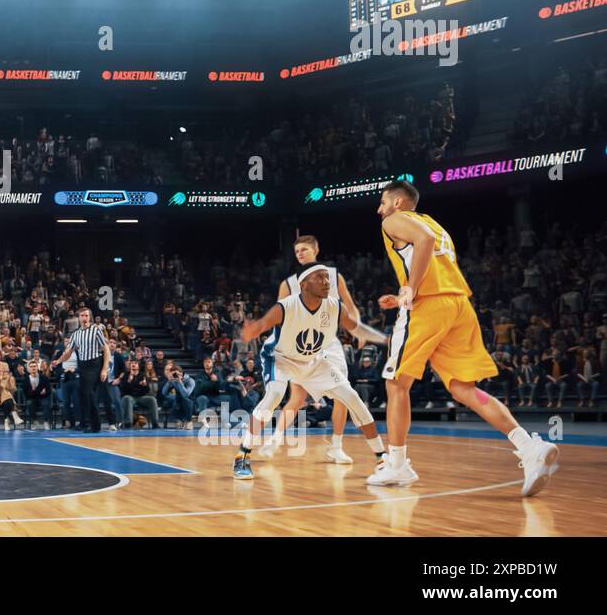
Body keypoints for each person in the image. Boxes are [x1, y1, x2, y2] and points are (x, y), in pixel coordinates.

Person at [374, 180, 557, 495]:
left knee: (396, 383)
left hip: (428, 307)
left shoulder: (396, 222)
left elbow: (424, 241)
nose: (380, 209)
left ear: (398, 203)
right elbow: (431, 252)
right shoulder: (433, 222)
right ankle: (528, 447)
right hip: (458, 306)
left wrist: (411, 288)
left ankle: (398, 465)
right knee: (462, 389)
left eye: (383, 202)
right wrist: (404, 289)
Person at [235, 264, 390, 480]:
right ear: (304, 284)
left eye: (328, 277)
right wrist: (252, 331)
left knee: (352, 398)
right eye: (320, 277)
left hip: (312, 361)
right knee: (274, 396)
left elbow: (356, 328)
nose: (327, 282)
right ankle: (242, 455)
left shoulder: (335, 307)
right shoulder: (285, 307)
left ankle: (382, 458)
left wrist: (384, 339)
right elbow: (261, 325)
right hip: (280, 358)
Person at [257, 235, 373, 464]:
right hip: (300, 345)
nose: (300, 254)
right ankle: (275, 438)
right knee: (297, 396)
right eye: (297, 251)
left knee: (343, 395)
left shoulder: (333, 276)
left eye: (304, 250)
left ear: (316, 250)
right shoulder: (288, 284)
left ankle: (336, 447)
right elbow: (280, 319)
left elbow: (350, 306)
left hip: (328, 342)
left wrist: (358, 330)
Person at [52, 307, 110, 433]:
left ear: (90, 317)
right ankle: (86, 423)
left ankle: (95, 425)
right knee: (84, 395)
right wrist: (59, 361)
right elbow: (68, 352)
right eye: (82, 315)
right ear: (79, 318)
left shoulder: (96, 330)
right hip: (83, 365)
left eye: (86, 315)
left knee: (89, 393)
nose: (84, 318)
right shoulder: (76, 334)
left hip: (95, 364)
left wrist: (104, 369)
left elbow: (106, 349)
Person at [118, 358, 160, 428]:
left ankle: (155, 423)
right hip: (130, 396)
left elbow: (147, 390)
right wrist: (129, 381)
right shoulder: (125, 375)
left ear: (138, 366)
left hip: (141, 397)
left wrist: (145, 385)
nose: (134, 364)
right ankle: (128, 423)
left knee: (152, 399)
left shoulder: (142, 375)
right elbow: (123, 390)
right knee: (127, 398)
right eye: (132, 363)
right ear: (130, 366)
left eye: (135, 363)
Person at [0, 360, 24, 430]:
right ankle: (15, 415)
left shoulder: (11, 378)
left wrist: (8, 381)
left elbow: (13, 390)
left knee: (7, 396)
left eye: (3, 367)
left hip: (9, 399)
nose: (2, 369)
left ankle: (6, 420)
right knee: (5, 393)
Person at [20, 358, 52, 429]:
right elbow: (26, 394)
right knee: (29, 403)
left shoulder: (43, 377)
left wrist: (45, 391)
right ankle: (34, 421)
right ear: (28, 369)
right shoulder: (26, 380)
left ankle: (46, 422)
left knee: (46, 403)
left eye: (35, 366)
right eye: (31, 367)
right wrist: (33, 390)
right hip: (32, 398)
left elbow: (49, 390)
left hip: (42, 397)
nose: (33, 368)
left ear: (37, 367)